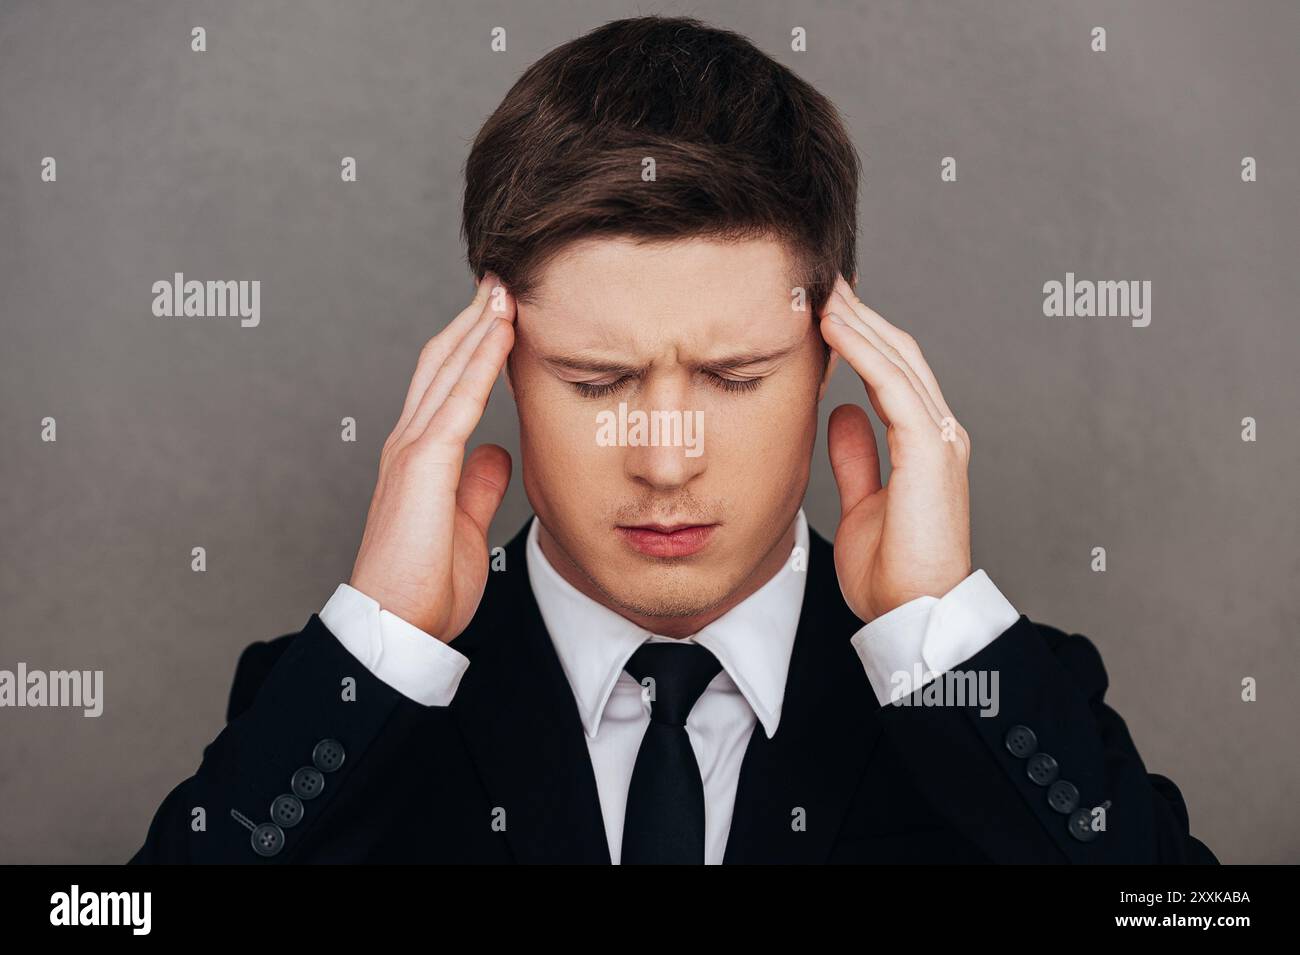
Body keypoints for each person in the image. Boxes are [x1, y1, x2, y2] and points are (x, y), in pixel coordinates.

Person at [130, 15, 1215, 864]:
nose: (663, 457)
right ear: (495, 364)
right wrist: (381, 646)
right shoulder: (338, 703)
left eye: (734, 378)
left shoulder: (1000, 699)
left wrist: (938, 639)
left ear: (832, 359)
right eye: (596, 380)